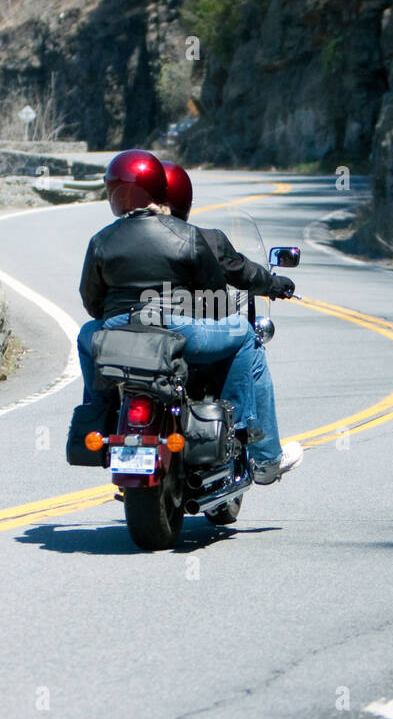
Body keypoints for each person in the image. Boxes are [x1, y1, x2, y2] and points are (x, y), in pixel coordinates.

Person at [75, 150, 260, 445]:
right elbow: (217, 298)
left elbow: (92, 303)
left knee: (86, 335)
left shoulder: (100, 240)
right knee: (245, 335)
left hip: (118, 332)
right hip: (176, 330)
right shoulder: (187, 235)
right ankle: (241, 428)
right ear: (160, 188)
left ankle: (98, 412)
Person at [161, 161, 302, 485]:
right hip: (198, 340)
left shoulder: (125, 241)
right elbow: (245, 272)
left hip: (143, 340)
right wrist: (275, 284)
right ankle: (265, 456)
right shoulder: (206, 240)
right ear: (186, 201)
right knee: (248, 343)